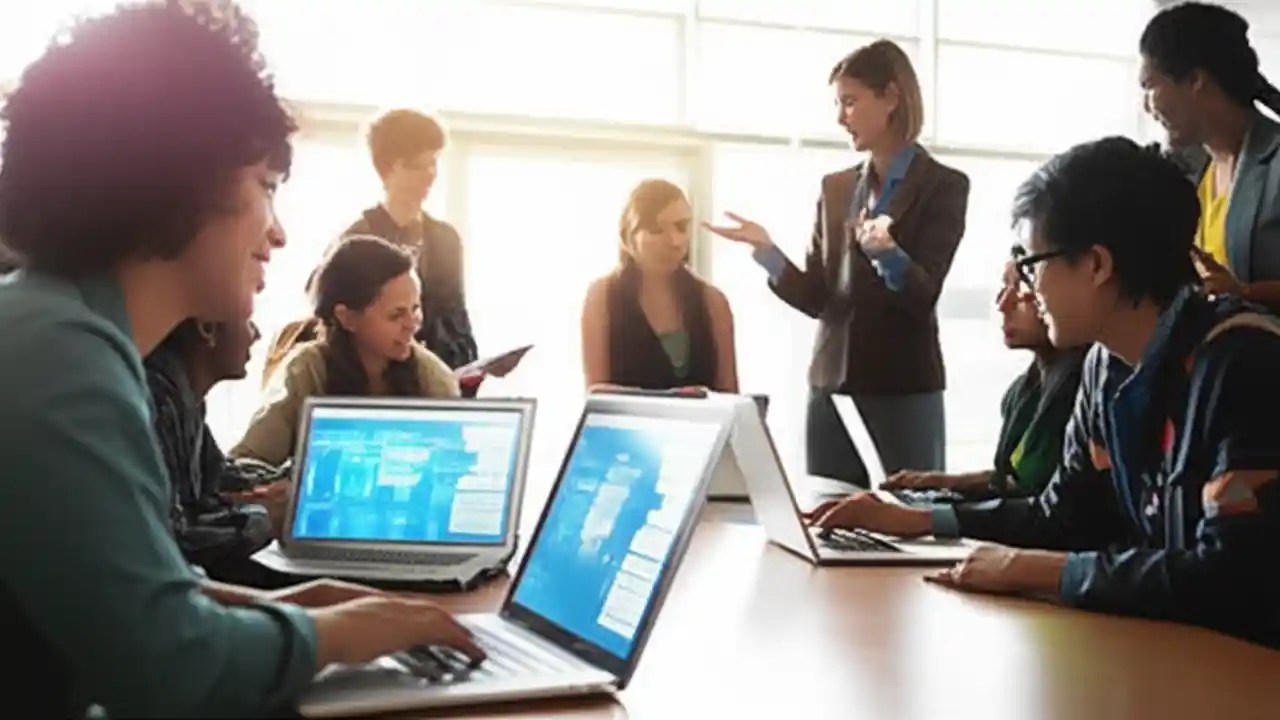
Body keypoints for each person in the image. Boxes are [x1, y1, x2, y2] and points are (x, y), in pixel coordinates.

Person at [0, 3, 481, 716]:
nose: (279, 233)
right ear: (179, 182)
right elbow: (171, 667)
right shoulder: (62, 354)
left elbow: (109, 595)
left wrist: (288, 606)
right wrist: (333, 634)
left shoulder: (44, 322)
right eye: (266, 187)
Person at [808, 137, 1280, 649]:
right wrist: (919, 519)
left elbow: (1234, 578)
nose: (1027, 286)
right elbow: (1062, 517)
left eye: (1032, 263)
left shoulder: (1243, 361)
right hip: (1180, 652)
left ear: (1097, 265)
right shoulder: (1105, 364)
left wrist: (1036, 571)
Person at [706, 39, 969, 487]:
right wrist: (768, 253)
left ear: (890, 97)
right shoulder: (835, 189)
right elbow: (818, 299)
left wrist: (887, 254)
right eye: (838, 104)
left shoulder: (943, 185)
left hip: (903, 384)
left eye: (850, 102)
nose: (840, 117)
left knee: (914, 513)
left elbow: (923, 295)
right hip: (830, 382)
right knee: (830, 514)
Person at [233, 235, 460, 466]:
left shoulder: (432, 376)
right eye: (396, 315)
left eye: (416, 309)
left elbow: (454, 462)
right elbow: (247, 463)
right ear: (347, 318)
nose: (412, 325)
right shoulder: (307, 369)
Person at [885, 261, 1088, 499]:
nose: (1003, 305)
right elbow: (1010, 481)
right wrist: (935, 482)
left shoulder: (1078, 390)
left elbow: (1034, 497)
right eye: (1004, 287)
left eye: (1023, 290)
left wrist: (925, 517)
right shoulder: (1024, 389)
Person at [1140, 2, 1280, 310]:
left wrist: (1246, 292)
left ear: (1195, 80)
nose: (1147, 107)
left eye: (1149, 86)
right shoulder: (1188, 171)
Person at [146, 314, 298, 587]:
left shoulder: (188, 399)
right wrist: (269, 518)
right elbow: (180, 542)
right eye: (249, 321)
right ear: (208, 329)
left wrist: (293, 482)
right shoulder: (156, 400)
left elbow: (219, 477)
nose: (258, 334)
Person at [582, 179, 738, 393]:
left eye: (681, 226)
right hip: (626, 426)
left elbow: (730, 397)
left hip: (702, 425)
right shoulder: (602, 297)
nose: (675, 240)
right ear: (629, 236)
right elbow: (598, 396)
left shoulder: (712, 300)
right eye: (656, 230)